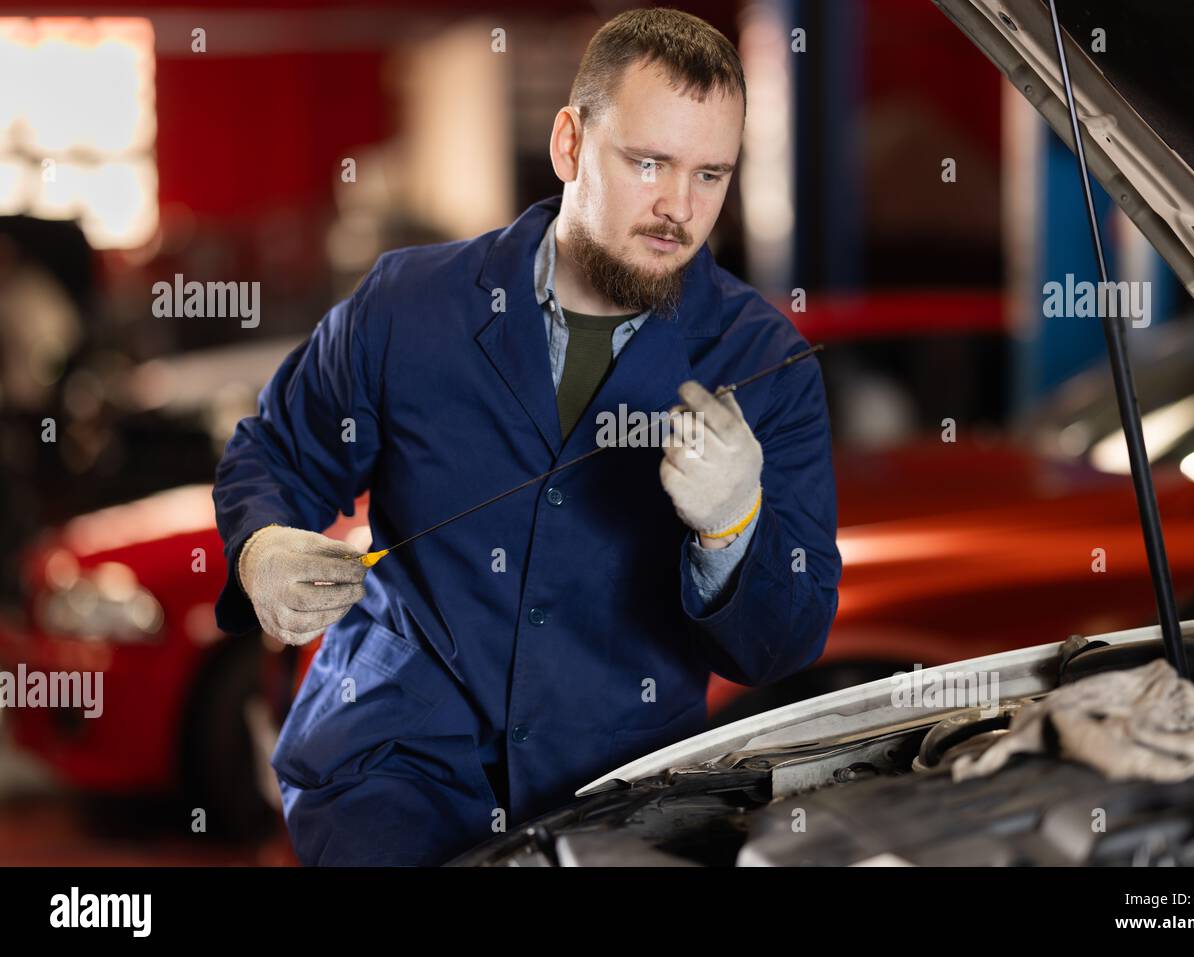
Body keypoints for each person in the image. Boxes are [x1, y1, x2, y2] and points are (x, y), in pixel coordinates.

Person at [212, 6, 840, 866]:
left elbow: (783, 645)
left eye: (710, 175)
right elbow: (277, 452)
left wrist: (733, 529)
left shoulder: (767, 365)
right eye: (648, 162)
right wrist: (260, 550)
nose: (679, 210)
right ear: (570, 144)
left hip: (611, 795)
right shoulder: (410, 305)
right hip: (389, 768)